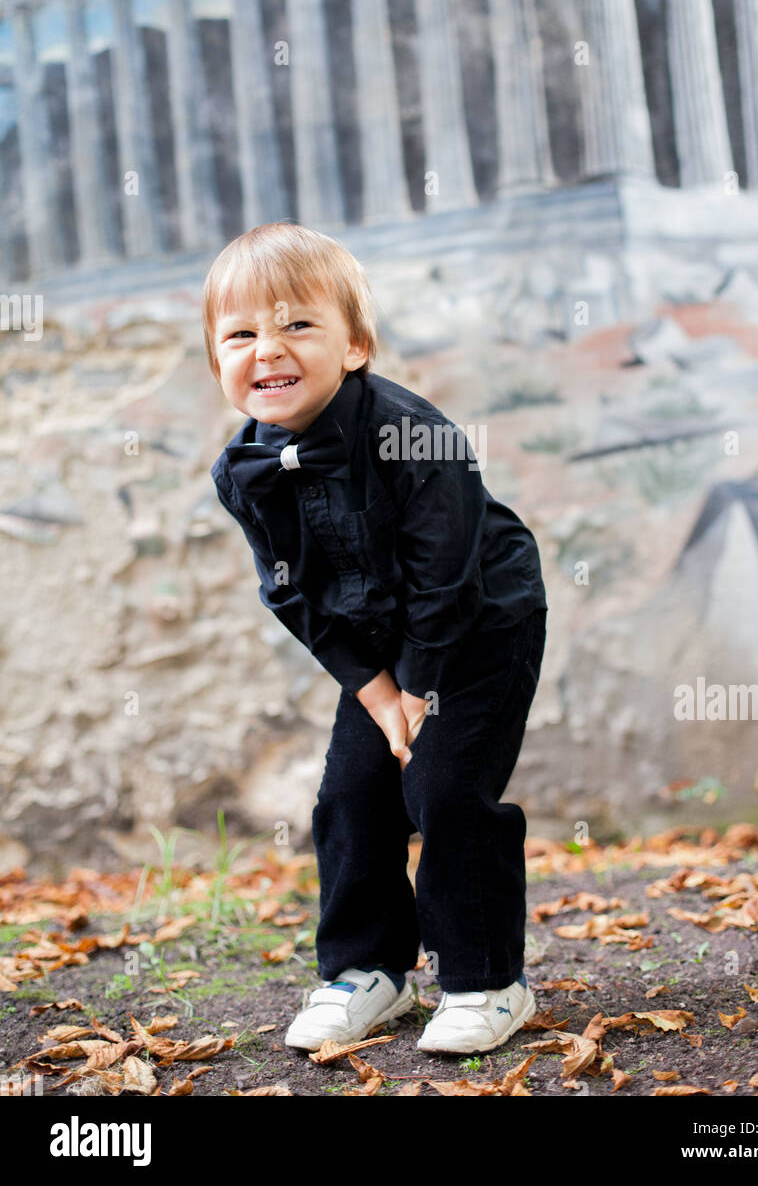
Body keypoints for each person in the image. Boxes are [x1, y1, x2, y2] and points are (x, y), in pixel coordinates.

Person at [204, 221, 548, 1055]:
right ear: (217, 359)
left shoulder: (413, 436)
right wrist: (375, 689)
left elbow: (446, 578)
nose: (268, 349)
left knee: (444, 791)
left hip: (479, 627)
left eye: (296, 325)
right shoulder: (241, 470)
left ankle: (487, 982)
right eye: (242, 333)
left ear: (355, 345)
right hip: (380, 651)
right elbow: (290, 591)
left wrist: (419, 689)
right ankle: (368, 972)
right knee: (351, 794)